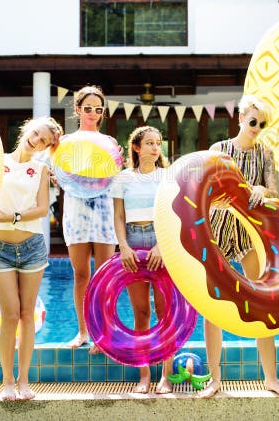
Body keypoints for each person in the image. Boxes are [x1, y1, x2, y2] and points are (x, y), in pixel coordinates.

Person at [201, 94, 279, 399]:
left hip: (248, 233)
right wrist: (218, 199)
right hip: (217, 230)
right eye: (252, 121)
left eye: (261, 124)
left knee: (260, 302)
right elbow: (202, 190)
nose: (256, 127)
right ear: (240, 118)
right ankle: (215, 379)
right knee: (213, 307)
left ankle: (270, 378)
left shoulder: (264, 154)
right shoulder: (219, 150)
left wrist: (258, 188)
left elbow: (272, 190)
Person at [0, 116, 63, 401]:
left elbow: (42, 210)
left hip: (31, 247)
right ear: (28, 128)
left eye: (44, 141)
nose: (37, 140)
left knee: (28, 315)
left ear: (46, 147)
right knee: (10, 316)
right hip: (0, 247)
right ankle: (6, 382)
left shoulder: (41, 169)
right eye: (37, 133)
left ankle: (24, 380)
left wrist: (12, 217)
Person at [111, 125, 173, 394]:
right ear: (136, 147)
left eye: (158, 143)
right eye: (149, 143)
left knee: (164, 311)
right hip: (133, 241)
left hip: (162, 240)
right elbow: (118, 216)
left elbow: (174, 212)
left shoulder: (167, 176)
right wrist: (123, 247)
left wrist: (162, 244)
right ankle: (144, 375)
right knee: (142, 313)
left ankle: (166, 377)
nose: (155, 147)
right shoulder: (122, 178)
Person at [63, 86, 119, 351]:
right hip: (76, 209)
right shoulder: (65, 142)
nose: (93, 114)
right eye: (88, 109)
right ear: (77, 110)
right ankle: (83, 331)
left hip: (105, 210)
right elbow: (60, 174)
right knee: (81, 274)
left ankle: (103, 332)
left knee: (105, 274)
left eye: (98, 109)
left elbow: (114, 176)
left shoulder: (109, 142)